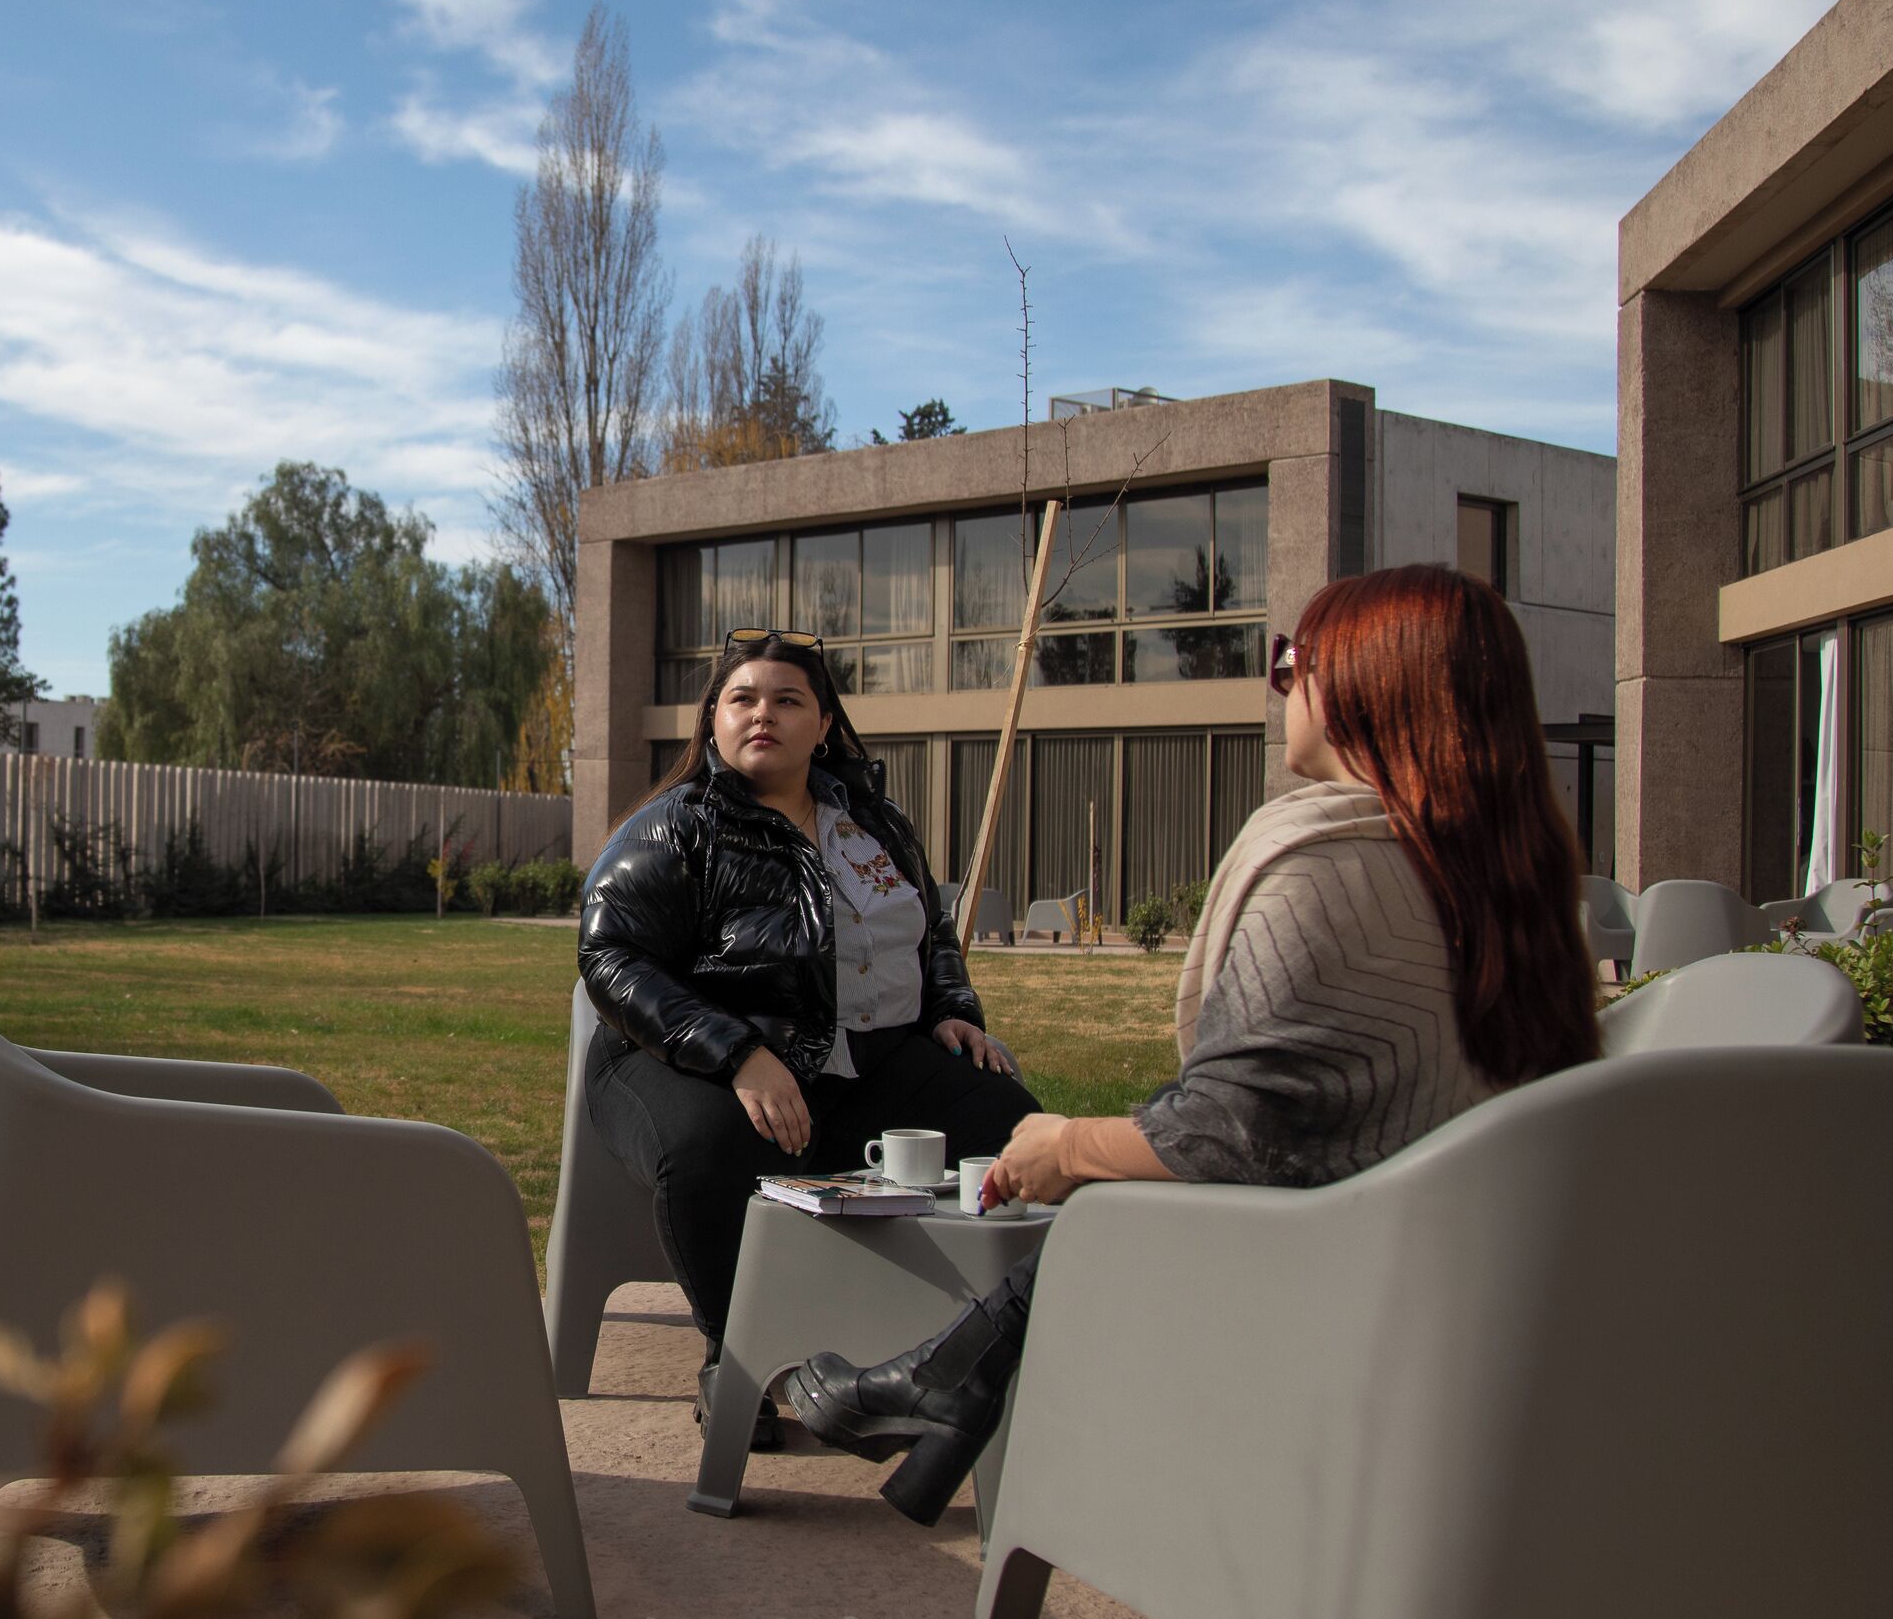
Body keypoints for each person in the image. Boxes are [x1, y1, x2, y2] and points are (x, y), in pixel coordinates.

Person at [782, 564, 1603, 1522]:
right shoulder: (1515, 875)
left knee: (1108, 1196)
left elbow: (1236, 1135)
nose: (1282, 686)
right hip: (1474, 1287)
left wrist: (1067, 1147)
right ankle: (949, 1380)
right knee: (1114, 1180)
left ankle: (950, 1386)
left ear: (1367, 685)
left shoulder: (1330, 867)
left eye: (1292, 662)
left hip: (1333, 1309)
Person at [576, 629, 1041, 1442]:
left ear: (824, 724)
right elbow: (610, 956)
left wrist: (952, 1010)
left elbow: (930, 934)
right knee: (712, 1147)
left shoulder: (875, 823)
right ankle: (736, 1358)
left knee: (1015, 1129)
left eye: (788, 700)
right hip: (678, 1058)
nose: (763, 714)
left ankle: (960, 1357)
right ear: (713, 721)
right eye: (742, 699)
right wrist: (738, 1054)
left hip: (860, 1059)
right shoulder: (673, 827)